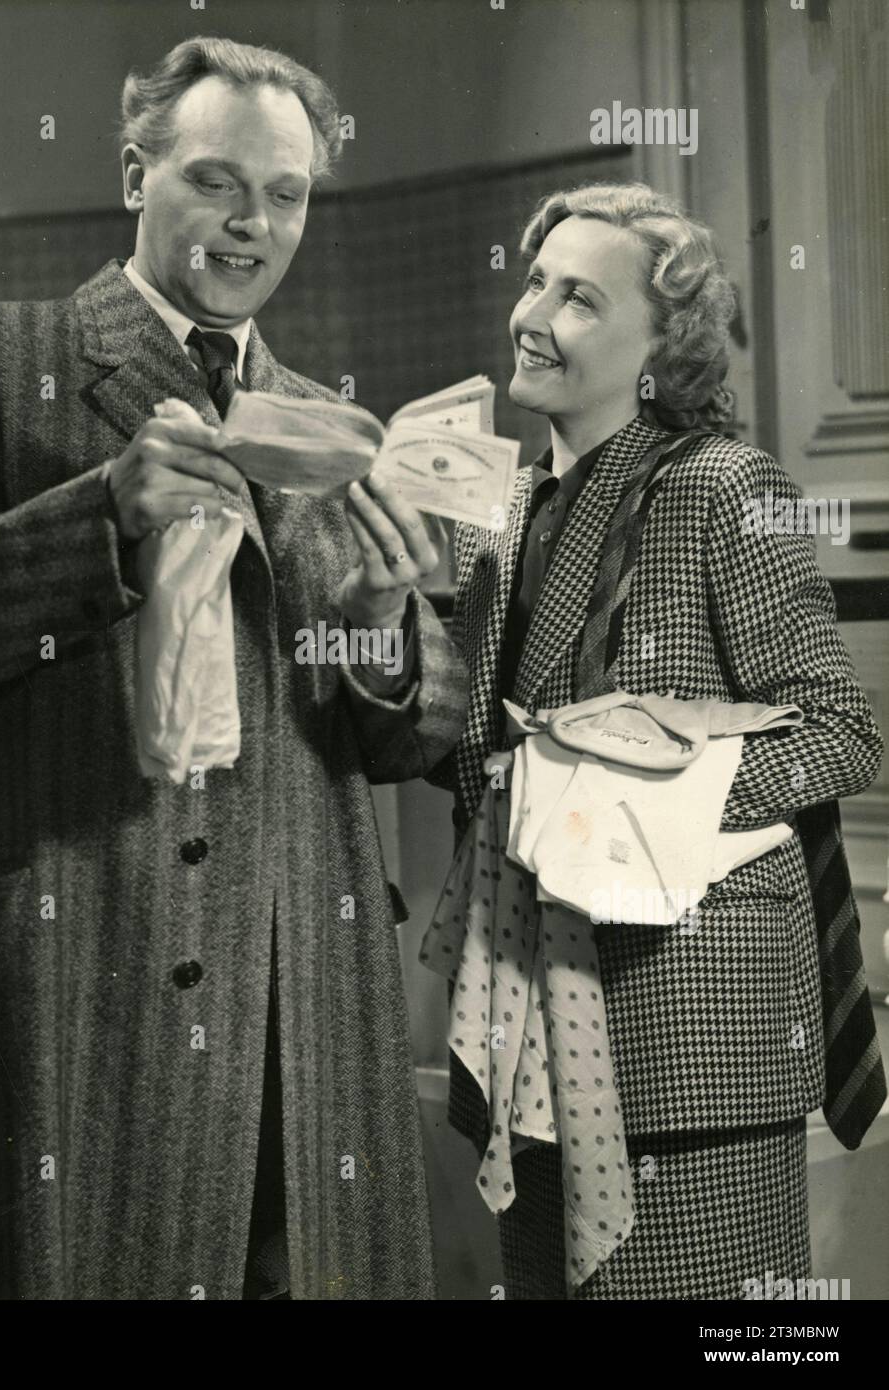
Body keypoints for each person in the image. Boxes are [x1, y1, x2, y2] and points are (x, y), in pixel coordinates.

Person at [0, 35, 467, 1301]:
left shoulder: (329, 429)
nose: (252, 224)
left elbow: (410, 744)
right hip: (76, 992)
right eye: (216, 180)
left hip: (301, 1009)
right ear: (134, 174)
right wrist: (96, 517)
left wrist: (393, 617)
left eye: (284, 194)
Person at [405, 182, 884, 1298]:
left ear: (659, 349)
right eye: (533, 282)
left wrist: (624, 799)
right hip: (533, 1030)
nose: (533, 314)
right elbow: (468, 757)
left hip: (686, 1036)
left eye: (578, 298)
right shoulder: (508, 511)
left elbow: (839, 731)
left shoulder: (725, 485)